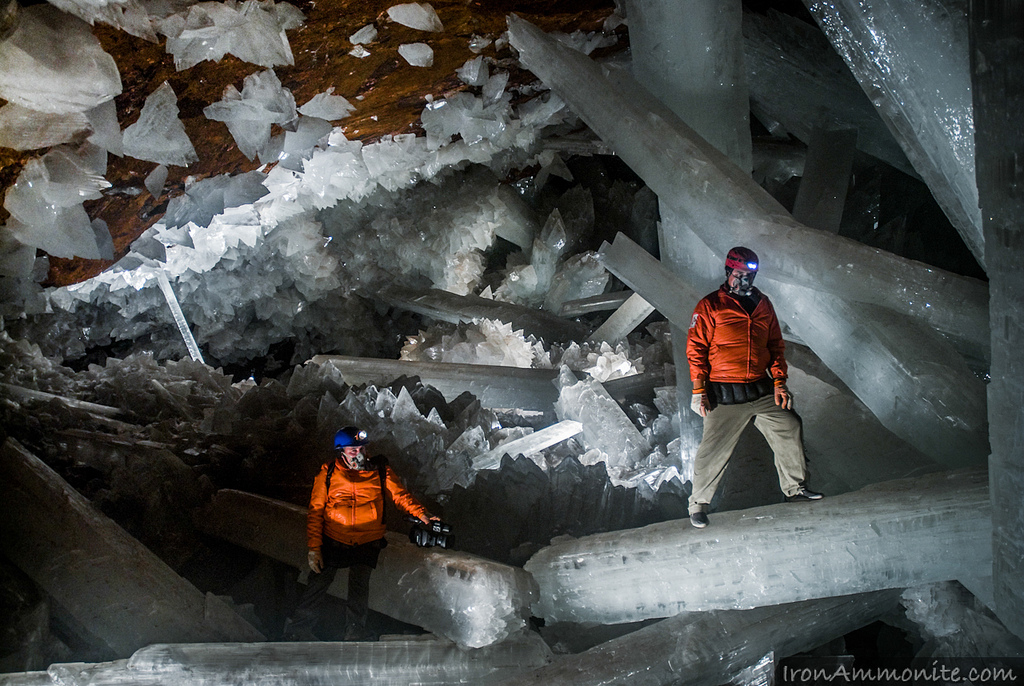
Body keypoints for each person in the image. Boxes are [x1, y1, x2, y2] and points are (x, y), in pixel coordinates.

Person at [686, 247, 822, 529]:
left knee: (789, 425)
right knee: (712, 451)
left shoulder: (763, 304)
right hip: (724, 395)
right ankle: (698, 504)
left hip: (759, 391)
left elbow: (775, 346)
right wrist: (699, 389)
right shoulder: (710, 305)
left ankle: (795, 490)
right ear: (728, 273)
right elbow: (696, 348)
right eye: (739, 275)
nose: (744, 280)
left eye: (750, 275)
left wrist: (780, 382)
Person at [282, 426, 435, 640]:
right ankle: (298, 629)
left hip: (367, 541)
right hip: (334, 540)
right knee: (317, 585)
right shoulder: (328, 473)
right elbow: (315, 511)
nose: (359, 453)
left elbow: (400, 496)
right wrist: (314, 548)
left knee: (359, 590)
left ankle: (355, 633)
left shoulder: (380, 470)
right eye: (353, 450)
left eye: (362, 448)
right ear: (341, 452)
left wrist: (421, 513)